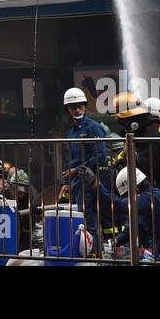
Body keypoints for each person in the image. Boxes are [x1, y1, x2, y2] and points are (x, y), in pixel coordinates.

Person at [99, 167, 160, 262]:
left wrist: (97, 185)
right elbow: (133, 229)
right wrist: (115, 242)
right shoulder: (154, 197)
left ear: (136, 191)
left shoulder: (150, 199)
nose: (125, 201)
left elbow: (119, 206)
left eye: (126, 197)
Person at [58, 87, 108, 243]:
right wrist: (65, 182)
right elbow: (68, 158)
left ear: (85, 106)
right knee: (80, 218)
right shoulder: (71, 131)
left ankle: (94, 255)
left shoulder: (94, 128)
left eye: (81, 105)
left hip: (89, 180)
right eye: (74, 106)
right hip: (76, 182)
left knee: (89, 219)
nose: (78, 109)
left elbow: (101, 157)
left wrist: (77, 170)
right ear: (68, 108)